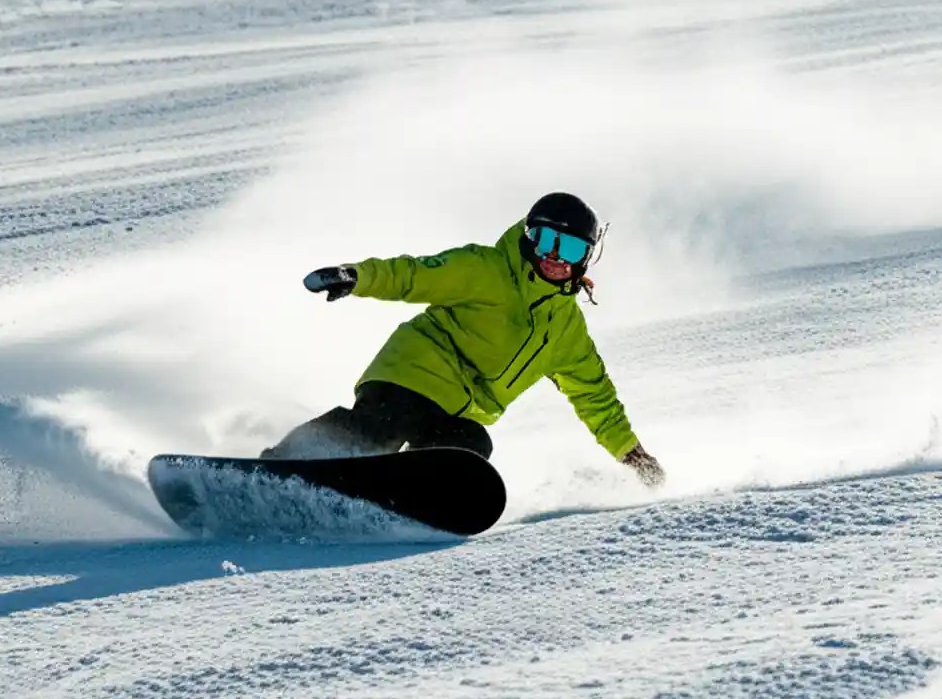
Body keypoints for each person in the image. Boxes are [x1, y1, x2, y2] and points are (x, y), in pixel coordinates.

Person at [261, 191, 665, 488]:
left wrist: (633, 455)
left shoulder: (566, 334)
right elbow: (414, 275)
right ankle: (283, 464)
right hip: (411, 373)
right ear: (528, 238)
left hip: (458, 412)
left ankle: (404, 492)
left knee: (470, 446)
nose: (555, 257)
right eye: (546, 240)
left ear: (585, 257)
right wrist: (357, 276)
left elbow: (597, 399)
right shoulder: (485, 269)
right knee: (379, 430)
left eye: (570, 247)